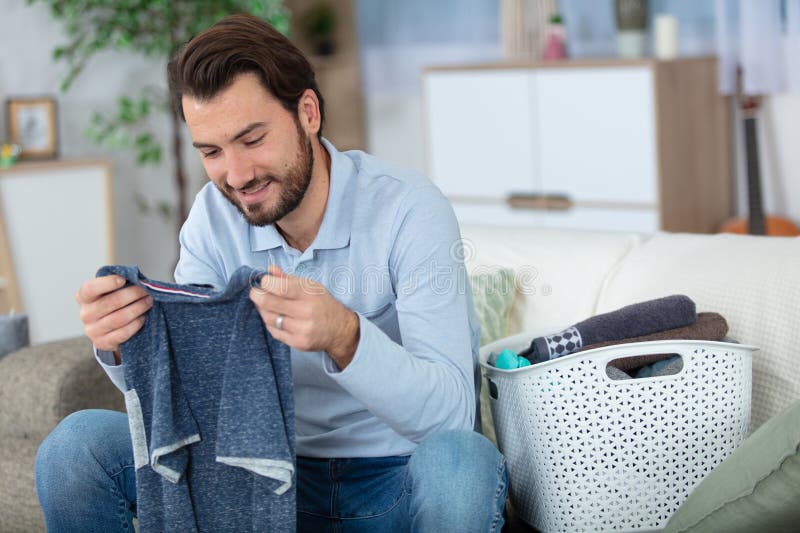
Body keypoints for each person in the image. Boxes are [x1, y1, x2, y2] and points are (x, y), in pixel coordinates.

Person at [34, 13, 508, 532]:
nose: (237, 175)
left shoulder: (408, 209)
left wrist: (345, 336)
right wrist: (123, 347)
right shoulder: (213, 219)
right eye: (212, 151)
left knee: (463, 464)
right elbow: (189, 402)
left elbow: (450, 417)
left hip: (395, 481)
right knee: (76, 447)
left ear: (308, 113)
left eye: (252, 139)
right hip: (259, 477)